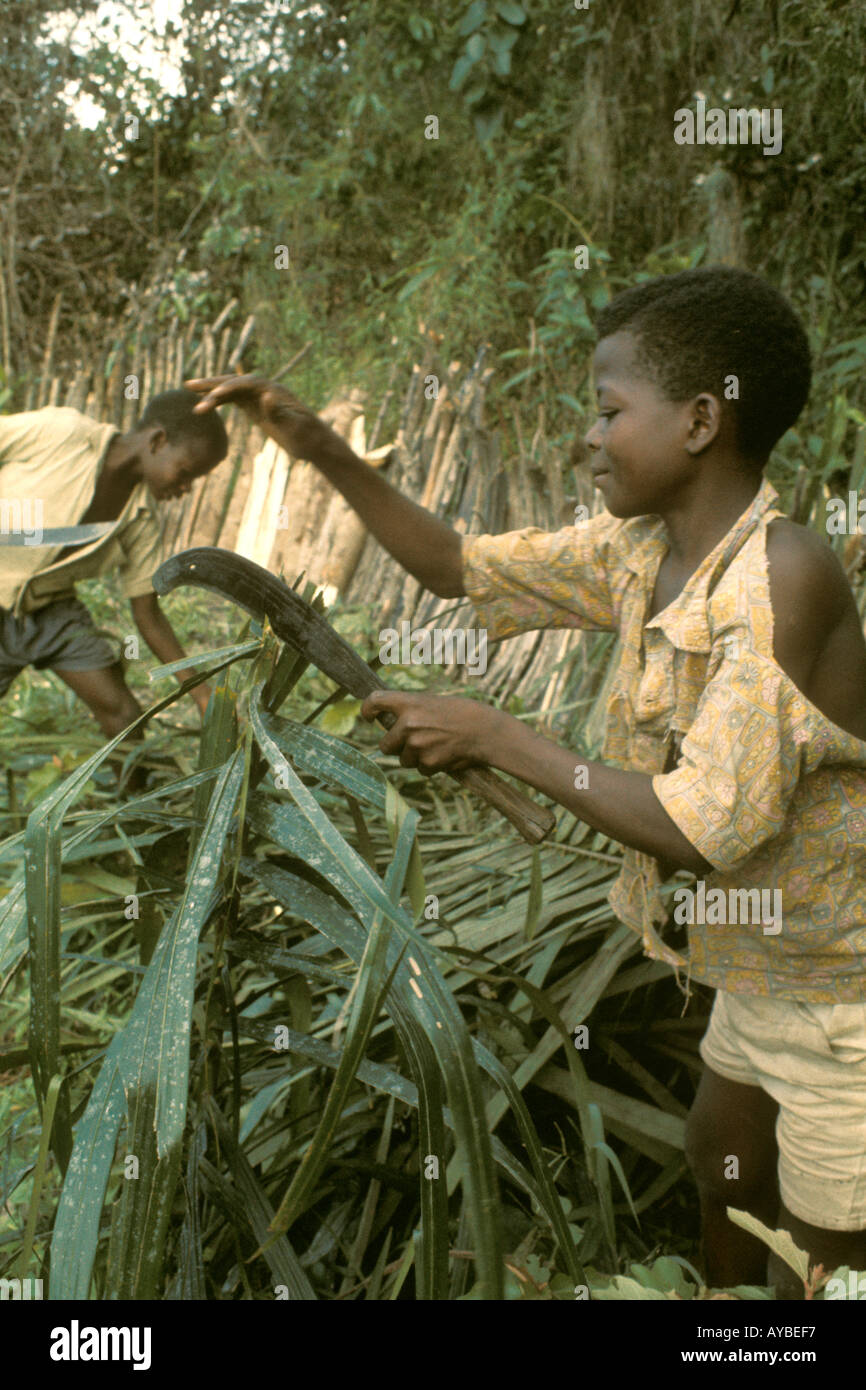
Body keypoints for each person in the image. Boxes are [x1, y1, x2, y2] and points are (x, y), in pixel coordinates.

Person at [185, 265, 866, 1297]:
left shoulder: (778, 577)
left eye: (605, 411)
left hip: (840, 993)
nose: (584, 438)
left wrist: (495, 735)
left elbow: (699, 829)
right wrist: (317, 445)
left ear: (695, 422)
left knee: (821, 1267)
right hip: (756, 969)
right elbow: (458, 567)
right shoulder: (642, 553)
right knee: (717, 1159)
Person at [0, 388, 228, 781]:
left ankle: (133, 815)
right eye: (187, 472)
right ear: (158, 441)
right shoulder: (61, 434)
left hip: (50, 611)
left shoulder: (140, 522)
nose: (186, 488)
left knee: (124, 717)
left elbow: (147, 613)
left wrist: (201, 694)